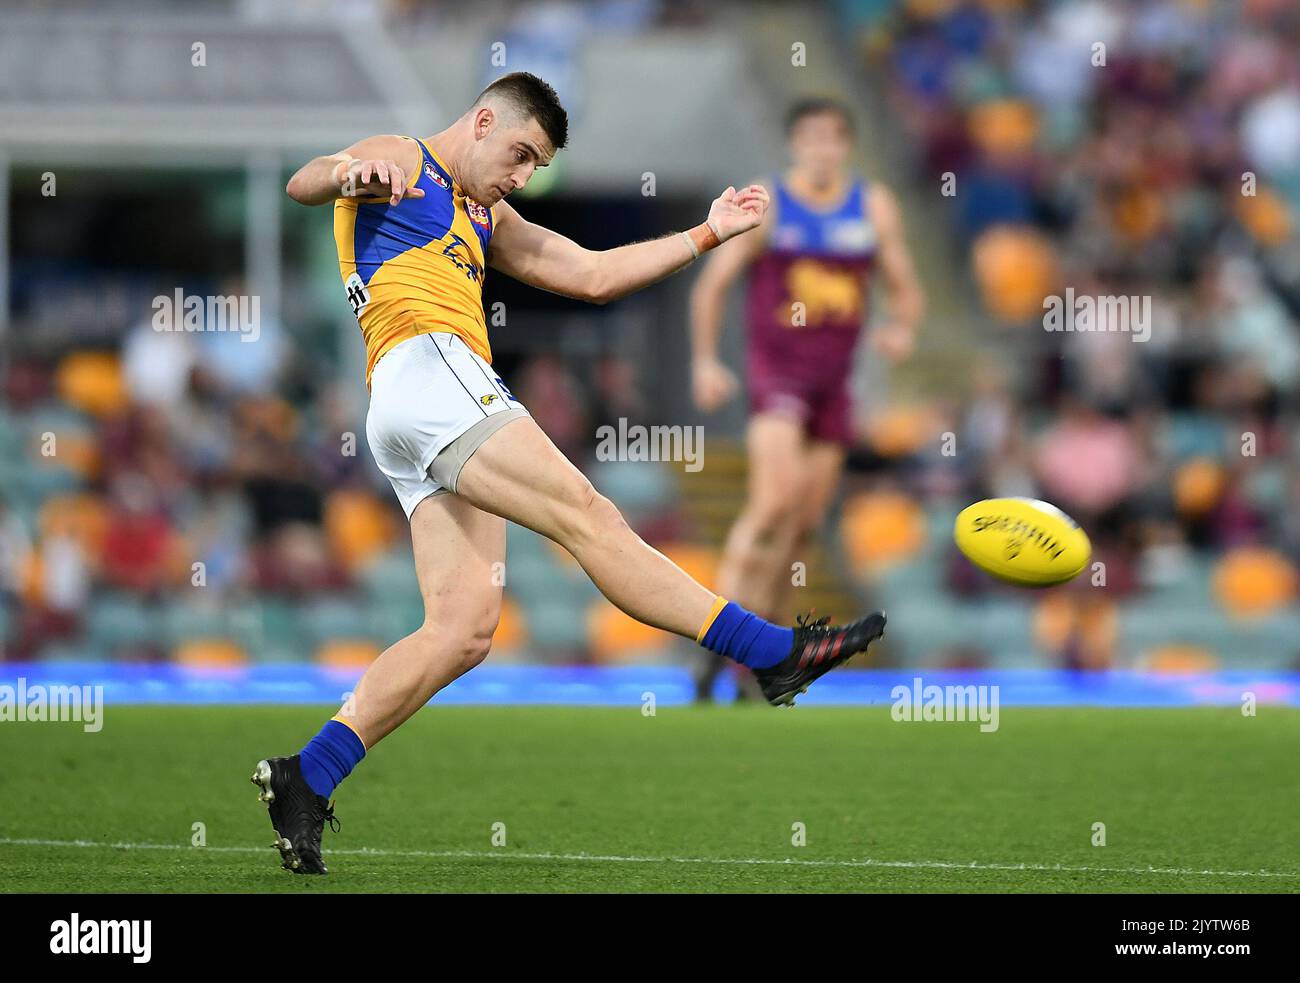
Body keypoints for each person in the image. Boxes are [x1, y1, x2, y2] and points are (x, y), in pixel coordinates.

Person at [252, 73, 886, 875]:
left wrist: (706, 233)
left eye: (534, 167)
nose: (521, 177)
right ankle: (769, 650)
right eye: (519, 154)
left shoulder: (486, 215)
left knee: (463, 630)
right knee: (590, 514)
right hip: (430, 368)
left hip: (409, 410)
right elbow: (305, 179)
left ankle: (307, 775)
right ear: (482, 120)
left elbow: (590, 274)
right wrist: (349, 174)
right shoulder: (402, 158)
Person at [687, 97, 923, 702]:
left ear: (846, 145)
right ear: (795, 144)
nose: (822, 149)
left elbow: (904, 287)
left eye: (834, 138)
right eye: (811, 137)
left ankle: (758, 659)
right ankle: (717, 645)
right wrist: (707, 360)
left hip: (834, 384)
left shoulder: (871, 205)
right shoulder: (770, 203)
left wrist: (900, 328)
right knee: (771, 505)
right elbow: (714, 282)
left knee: (802, 526)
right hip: (778, 377)